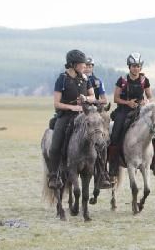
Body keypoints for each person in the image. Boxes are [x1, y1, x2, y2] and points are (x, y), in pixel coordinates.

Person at [46, 49, 92, 189]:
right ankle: (53, 175)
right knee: (55, 146)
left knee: (100, 136)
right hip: (66, 116)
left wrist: (86, 98)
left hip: (83, 115)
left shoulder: (85, 78)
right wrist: (72, 107)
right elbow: (57, 103)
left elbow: (93, 97)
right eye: (82, 64)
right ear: (73, 64)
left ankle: (102, 172)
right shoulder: (62, 79)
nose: (84, 66)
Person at [107, 52, 155, 177]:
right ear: (129, 67)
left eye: (138, 66)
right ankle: (113, 164)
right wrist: (128, 103)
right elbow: (116, 99)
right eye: (134, 66)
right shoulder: (122, 80)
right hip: (123, 110)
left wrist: (146, 101)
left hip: (141, 110)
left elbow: (150, 97)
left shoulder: (144, 80)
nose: (136, 68)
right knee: (115, 134)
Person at [80, 55, 112, 187]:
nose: (88, 68)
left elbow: (104, 100)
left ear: (93, 67)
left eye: (90, 66)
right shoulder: (79, 80)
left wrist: (94, 102)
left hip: (97, 111)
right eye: (86, 66)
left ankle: (103, 172)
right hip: (82, 111)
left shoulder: (98, 82)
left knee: (105, 135)